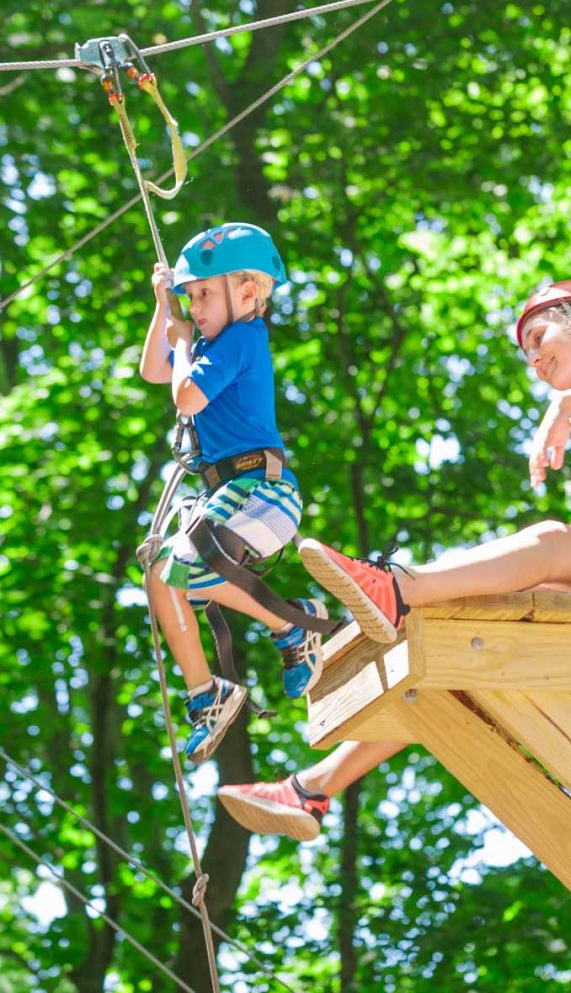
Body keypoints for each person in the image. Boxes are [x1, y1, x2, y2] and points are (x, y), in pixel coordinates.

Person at [217, 279, 571, 840]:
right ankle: (312, 790)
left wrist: (567, 402)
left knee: (553, 543)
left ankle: (398, 588)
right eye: (527, 351)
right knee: (474, 631)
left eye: (538, 336)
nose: (533, 359)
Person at [138, 222, 327, 765]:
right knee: (162, 577)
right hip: (234, 493)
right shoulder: (206, 343)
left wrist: (181, 342)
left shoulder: (242, 338)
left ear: (246, 294)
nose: (194, 305)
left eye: (203, 293)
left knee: (182, 567)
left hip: (260, 490)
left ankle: (291, 623)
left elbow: (187, 397)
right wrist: (163, 310)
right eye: (189, 295)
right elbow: (154, 370)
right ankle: (207, 695)